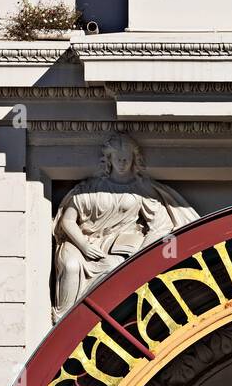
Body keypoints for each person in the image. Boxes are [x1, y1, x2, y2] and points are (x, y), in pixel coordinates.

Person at [51, 132, 199, 322]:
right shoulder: (90, 187)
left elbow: (160, 225)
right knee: (71, 267)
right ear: (109, 159)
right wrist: (84, 246)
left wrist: (141, 252)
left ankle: (88, 317)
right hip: (80, 242)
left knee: (115, 268)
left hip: (114, 247)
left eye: (126, 159)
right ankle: (62, 320)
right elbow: (67, 221)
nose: (122, 163)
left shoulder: (141, 191)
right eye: (117, 158)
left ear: (133, 160)